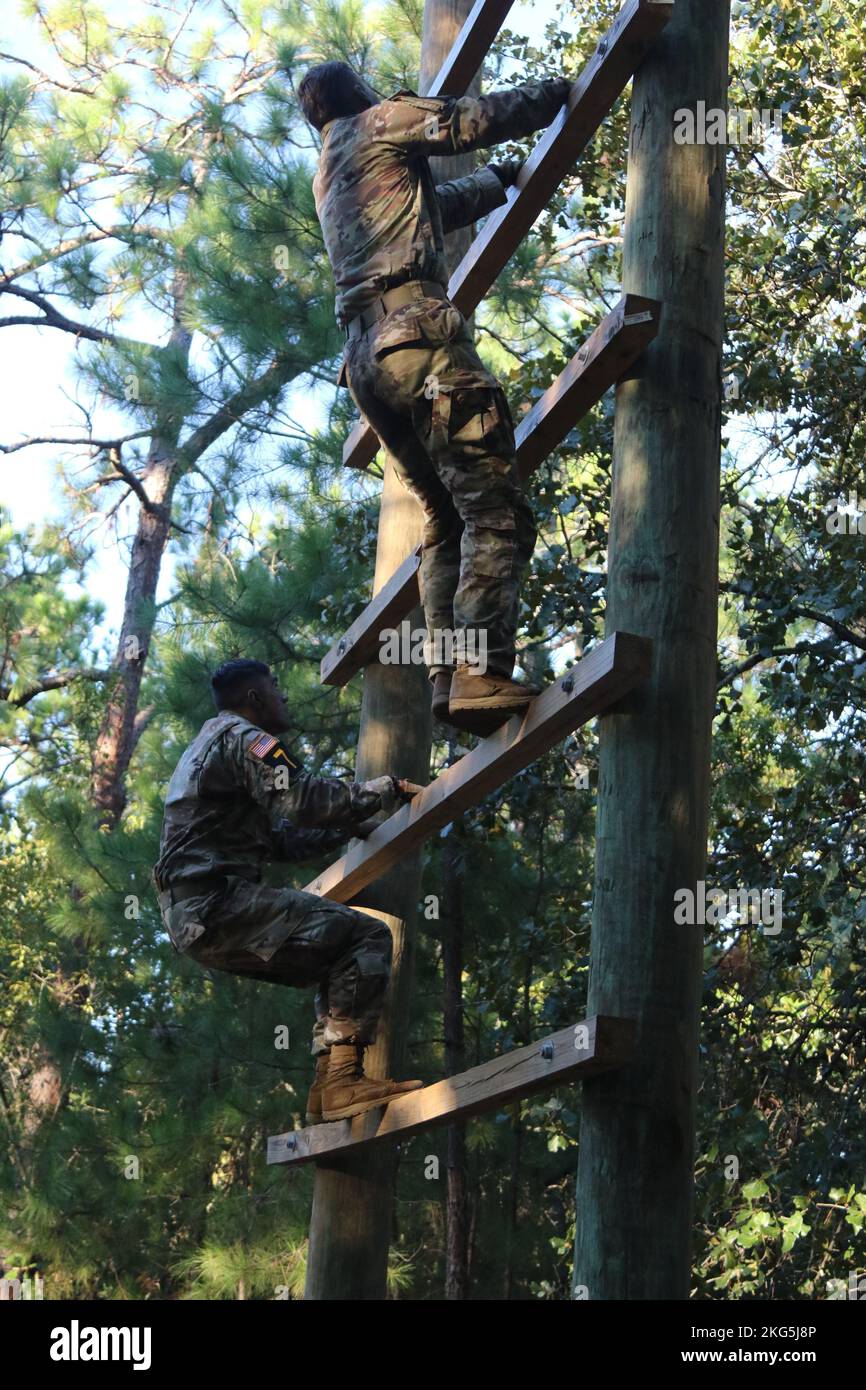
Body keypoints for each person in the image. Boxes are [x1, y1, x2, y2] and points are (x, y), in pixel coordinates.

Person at [299, 61, 573, 734]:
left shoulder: (333, 172)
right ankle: (481, 671)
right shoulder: (381, 121)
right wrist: (560, 91)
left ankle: (449, 676)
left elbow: (428, 209)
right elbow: (466, 121)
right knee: (494, 507)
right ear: (361, 93)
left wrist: (496, 183)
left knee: (446, 520)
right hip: (416, 336)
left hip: (368, 362)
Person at [153, 658, 424, 1123]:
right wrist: (386, 789)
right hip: (215, 903)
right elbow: (303, 801)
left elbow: (278, 839)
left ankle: (333, 1085)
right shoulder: (248, 739)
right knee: (366, 937)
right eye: (276, 688)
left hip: (193, 915)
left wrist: (351, 825)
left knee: (333, 953)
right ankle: (341, 1080)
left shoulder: (204, 747)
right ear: (255, 699)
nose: (285, 696)